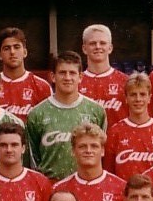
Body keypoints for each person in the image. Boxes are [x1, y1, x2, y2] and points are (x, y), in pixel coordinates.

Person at [25, 50, 108, 182]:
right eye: (62, 73)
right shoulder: (37, 113)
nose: (67, 77)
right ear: (52, 76)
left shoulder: (96, 110)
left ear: (80, 77)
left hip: (85, 184)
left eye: (72, 73)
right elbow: (33, 160)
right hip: (51, 186)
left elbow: (102, 153)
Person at [53, 122, 127, 201]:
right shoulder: (60, 189)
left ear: (102, 151)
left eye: (94, 146)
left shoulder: (121, 188)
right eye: (82, 146)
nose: (88, 150)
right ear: (73, 151)